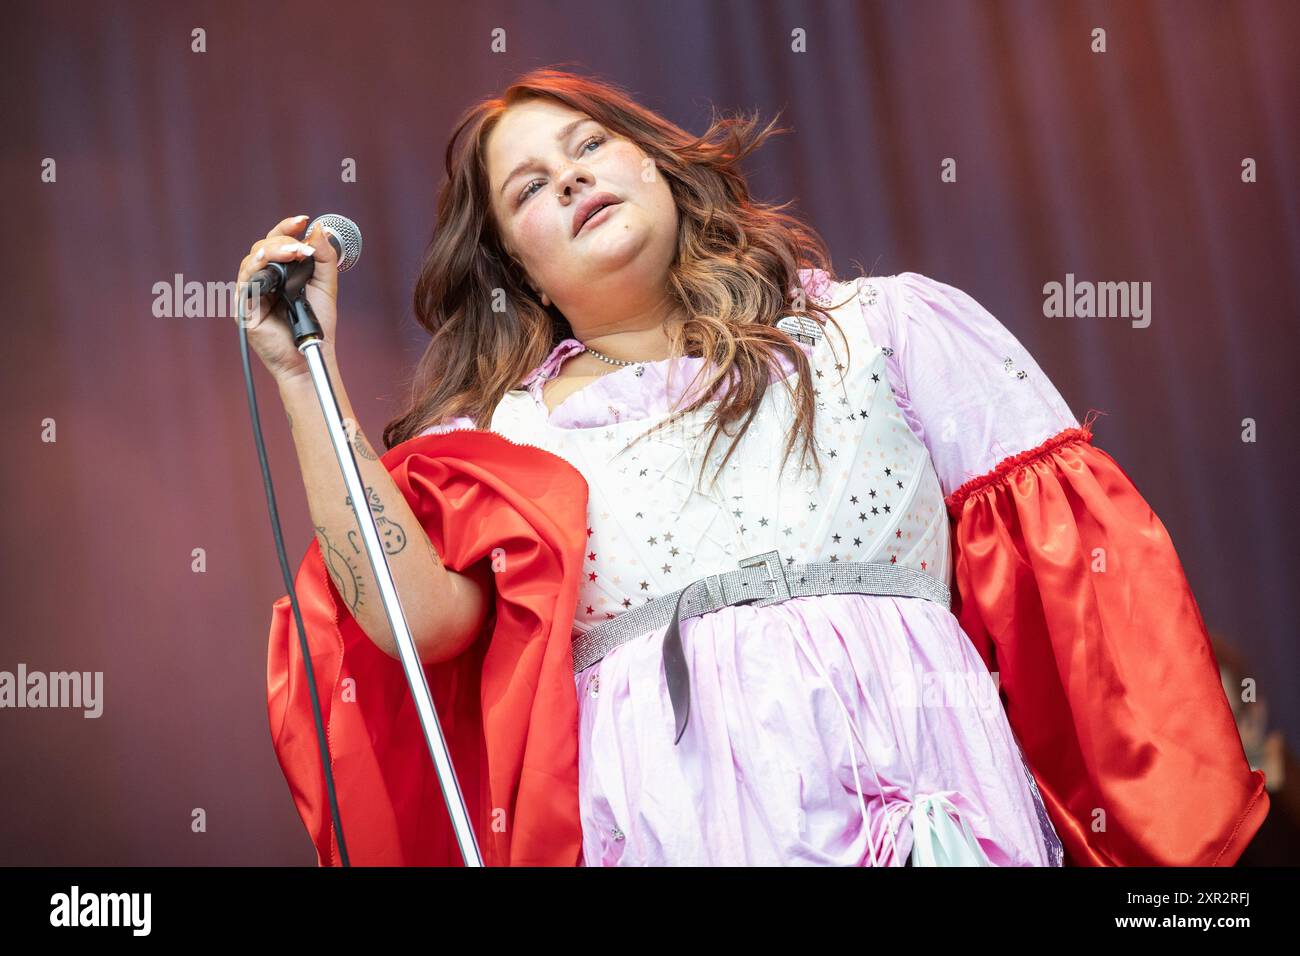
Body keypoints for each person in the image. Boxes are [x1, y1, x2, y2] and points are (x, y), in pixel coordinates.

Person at [248, 68, 1268, 867]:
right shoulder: (505, 440)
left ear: (655, 165)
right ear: (516, 266)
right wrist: (305, 376)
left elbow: (1081, 593)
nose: (568, 176)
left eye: (590, 144)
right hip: (664, 826)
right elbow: (410, 617)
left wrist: (1156, 838)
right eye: (527, 187)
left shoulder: (883, 328)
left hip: (922, 805)